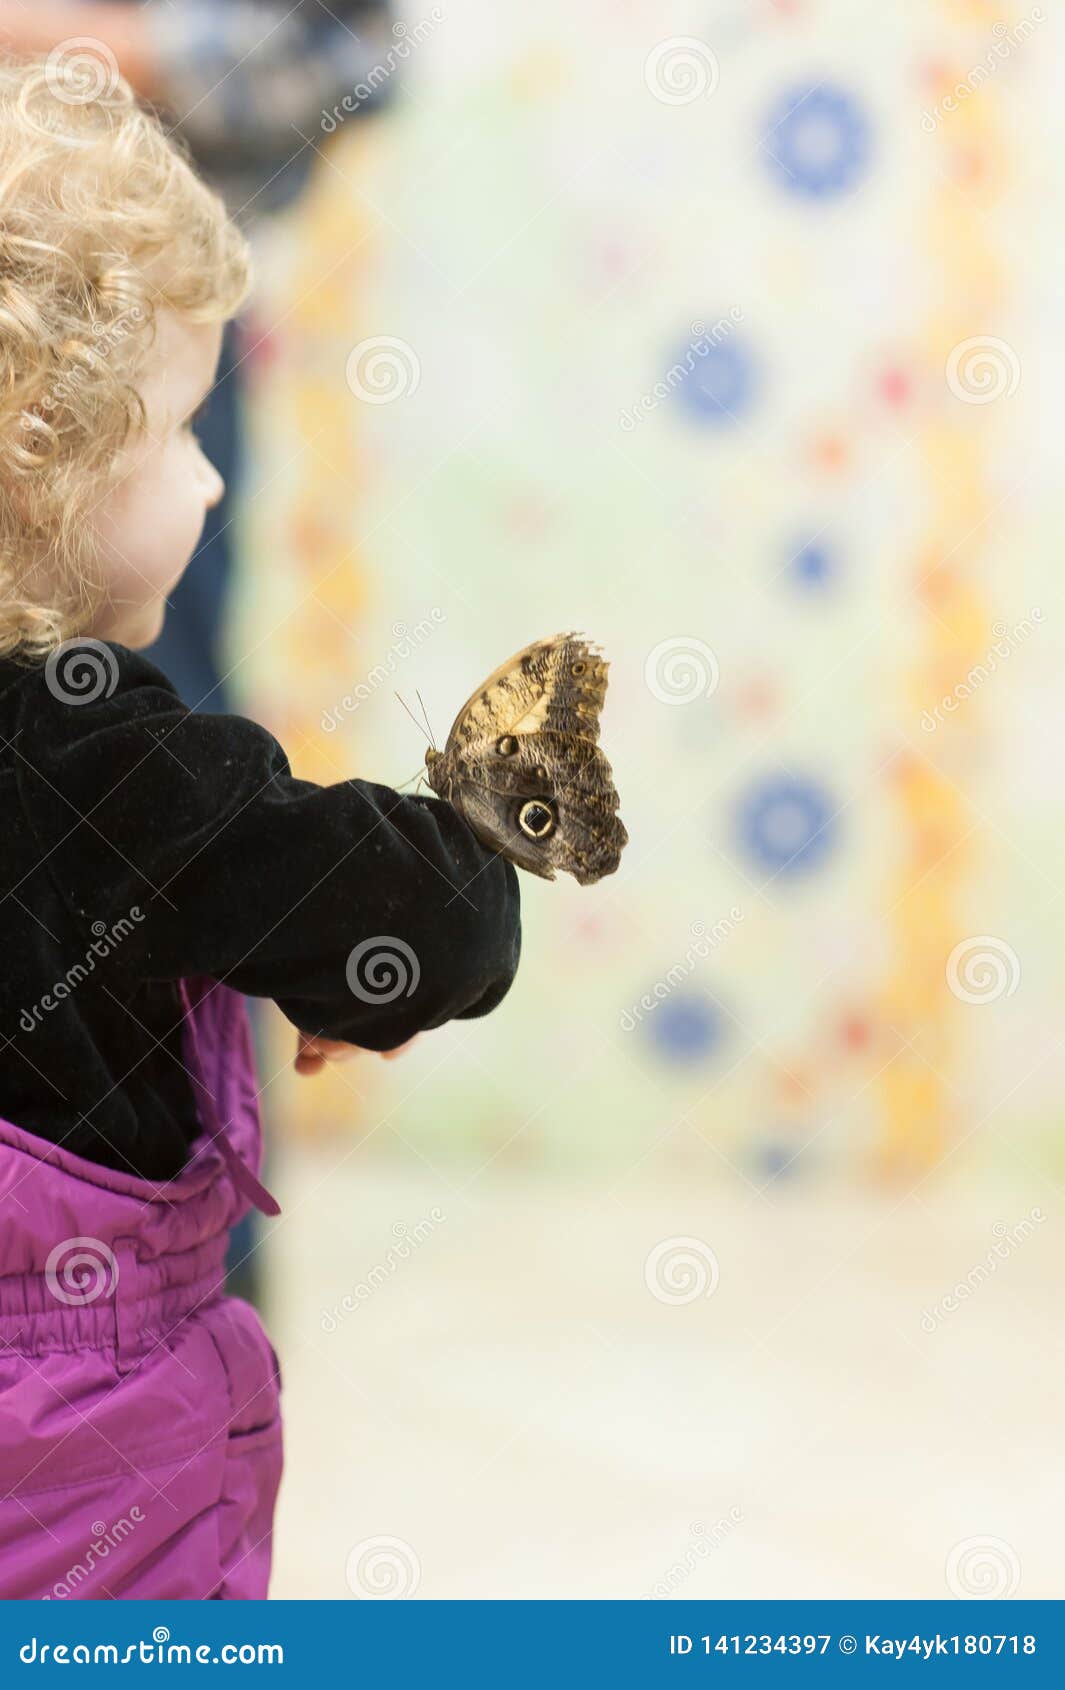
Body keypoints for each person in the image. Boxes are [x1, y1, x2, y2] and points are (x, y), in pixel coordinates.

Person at [0, 57, 520, 1599]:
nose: (216, 480)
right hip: (75, 1468)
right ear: (42, 469)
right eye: (175, 429)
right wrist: (367, 966)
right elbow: (439, 911)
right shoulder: (111, 767)